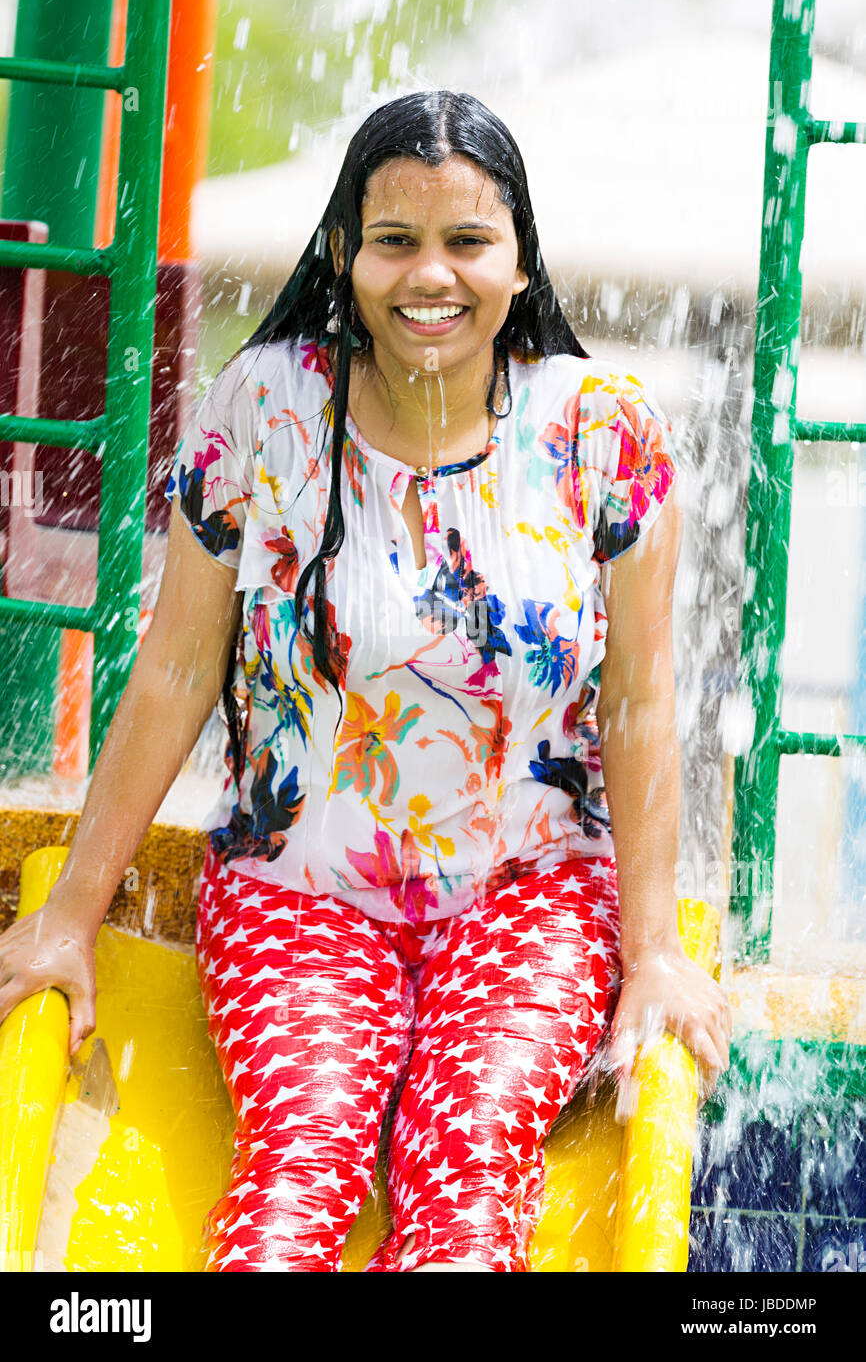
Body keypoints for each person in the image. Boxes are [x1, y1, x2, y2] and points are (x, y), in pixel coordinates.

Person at [0, 89, 731, 1273]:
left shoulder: (603, 433)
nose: (426, 276)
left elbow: (640, 702)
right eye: (393, 240)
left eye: (464, 241)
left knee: (469, 1153)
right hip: (299, 886)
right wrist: (71, 916)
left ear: (518, 254)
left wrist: (650, 945)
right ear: (343, 250)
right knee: (304, 1154)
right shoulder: (265, 409)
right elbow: (178, 665)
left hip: (529, 891)